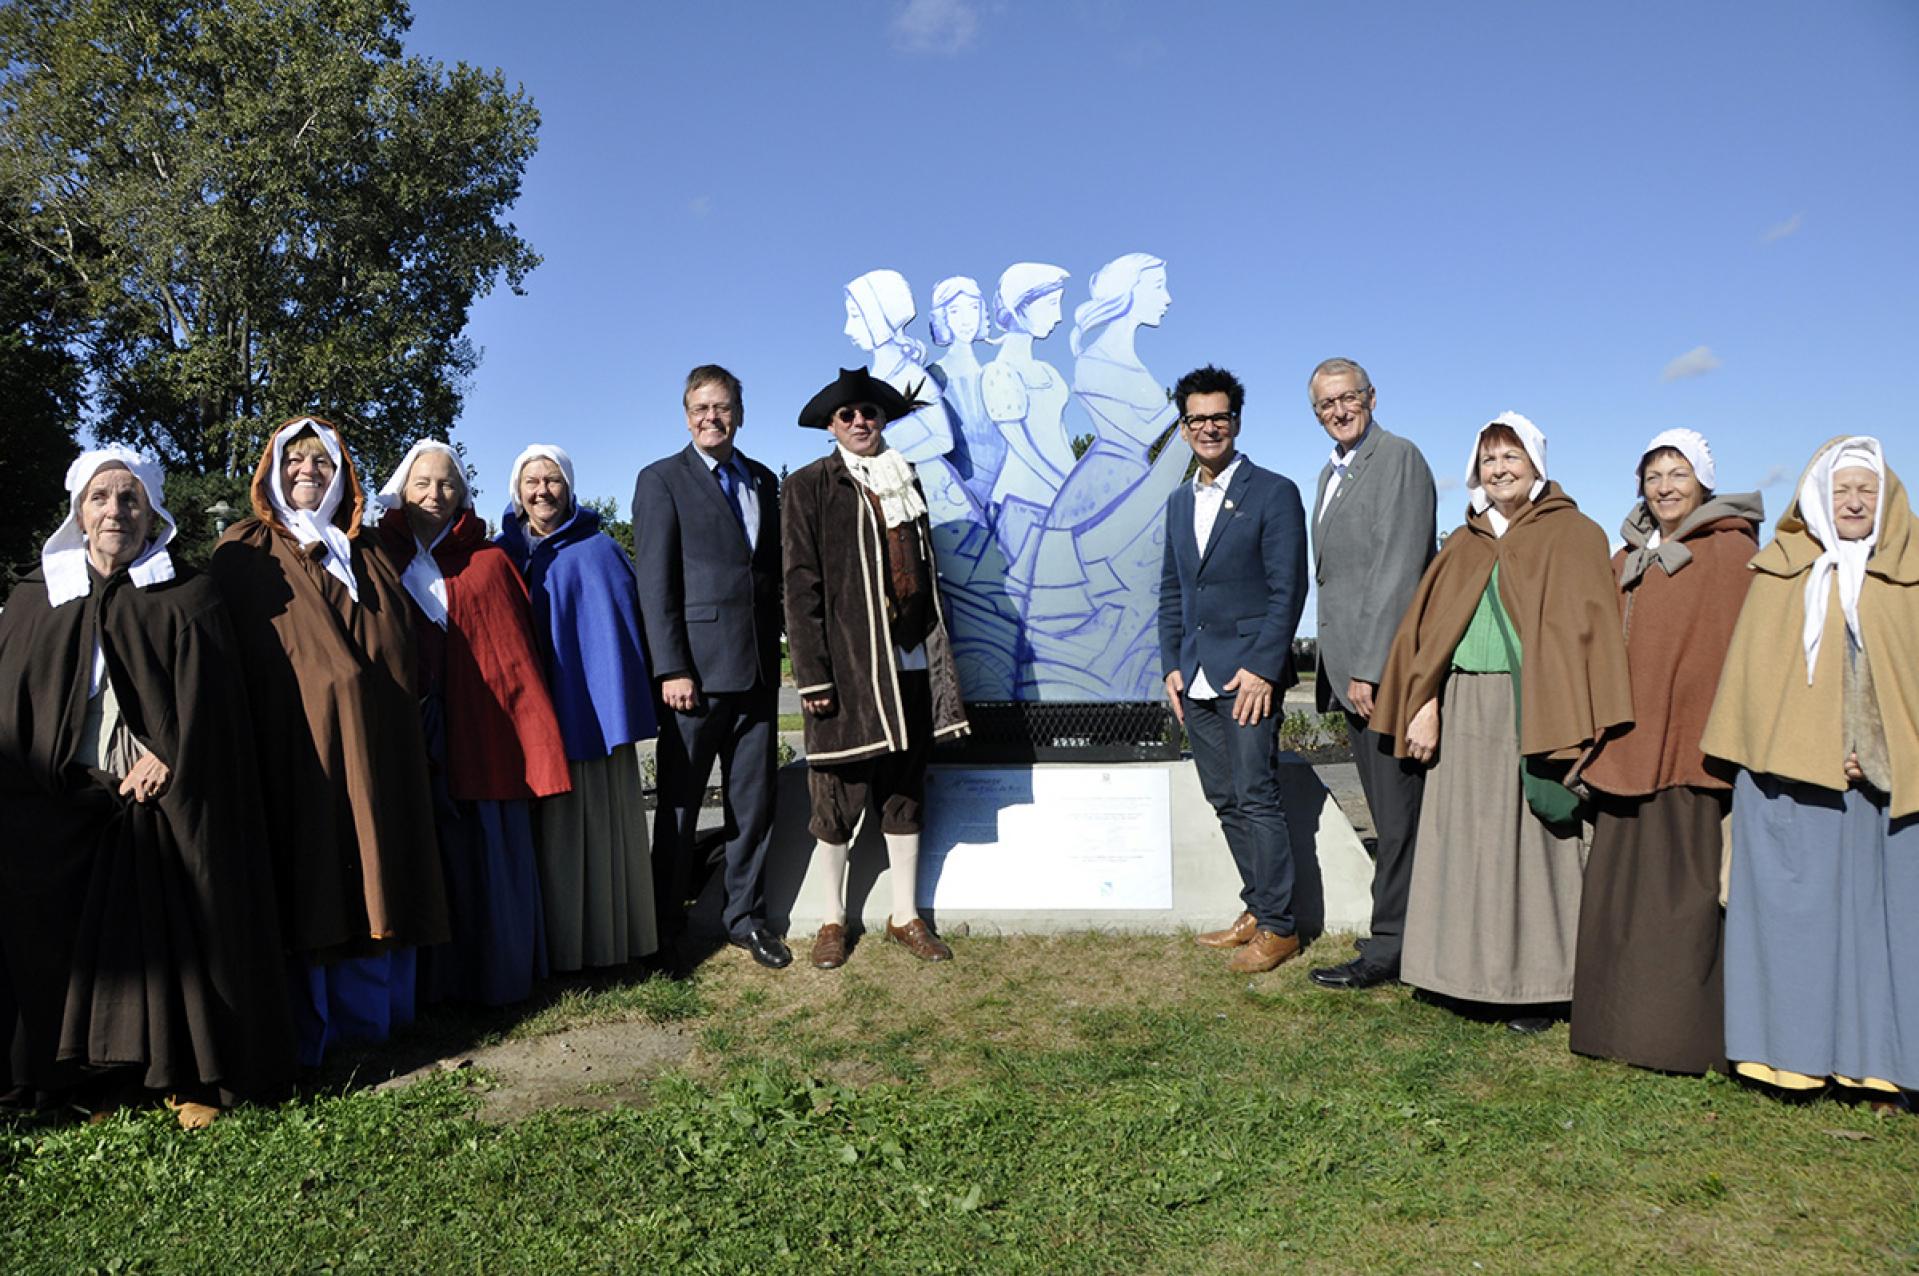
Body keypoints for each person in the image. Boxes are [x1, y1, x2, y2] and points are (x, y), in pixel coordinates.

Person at [0, 448, 292, 1125]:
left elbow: (215, 701)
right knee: (46, 918)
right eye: (101, 498)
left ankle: (186, 1073)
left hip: (154, 792)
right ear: (78, 510)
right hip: (59, 793)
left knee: (176, 917)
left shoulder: (186, 593)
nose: (115, 512)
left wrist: (171, 752)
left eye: (129, 499)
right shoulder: (34, 597)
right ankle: (75, 1078)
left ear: (151, 510)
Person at [1372, 413, 1631, 1033]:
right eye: (1490, 460)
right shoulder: (1465, 541)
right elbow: (1433, 635)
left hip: (1533, 707)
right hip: (1463, 705)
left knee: (1530, 845)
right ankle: (1458, 975)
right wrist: (1425, 700)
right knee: (1462, 839)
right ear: (1475, 472)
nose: (1500, 470)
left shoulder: (1573, 534)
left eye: (1512, 458)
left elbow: (1587, 635)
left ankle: (1538, 986)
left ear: (1537, 465)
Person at [209, 417, 447, 1068]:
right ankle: (307, 1028)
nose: (307, 472)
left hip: (373, 756)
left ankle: (371, 1024)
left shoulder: (366, 554)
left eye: (321, 462)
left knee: (373, 869)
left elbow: (397, 653)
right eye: (295, 461)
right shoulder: (244, 550)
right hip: (294, 756)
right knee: (309, 876)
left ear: (342, 475)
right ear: (271, 473)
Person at [1702, 435, 1917, 1103]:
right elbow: (1756, 683)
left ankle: (1875, 1063)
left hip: (1888, 790)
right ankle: (1785, 1059)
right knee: (1793, 922)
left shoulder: (1908, 576)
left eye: (1866, 490)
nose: (1853, 502)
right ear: (1817, 498)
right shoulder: (1782, 572)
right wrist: (1801, 748)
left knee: (1879, 929)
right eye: (1841, 490)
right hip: (1789, 782)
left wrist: (1877, 749)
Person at [1572, 430, 1762, 1073]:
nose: (1665, 486)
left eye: (1678, 473)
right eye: (1653, 475)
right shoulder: (1630, 553)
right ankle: (1609, 1025)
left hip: (1687, 756)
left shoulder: (1728, 552)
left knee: (1683, 898)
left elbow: (1728, 652)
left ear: (1704, 481)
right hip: (1630, 747)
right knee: (1619, 888)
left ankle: (1673, 1036)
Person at [784, 368, 971, 969]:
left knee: (904, 789)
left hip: (909, 660)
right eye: (848, 415)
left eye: (869, 412)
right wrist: (813, 676)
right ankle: (832, 920)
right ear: (831, 426)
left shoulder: (903, 477)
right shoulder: (809, 485)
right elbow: (800, 586)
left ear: (882, 420)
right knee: (837, 797)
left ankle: (905, 916)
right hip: (847, 668)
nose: (860, 421)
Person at [377, 441, 572, 1005]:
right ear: (402, 490)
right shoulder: (375, 558)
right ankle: (427, 989)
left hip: (481, 730)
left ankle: (493, 977)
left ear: (462, 495)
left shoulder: (488, 562)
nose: (434, 495)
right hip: (410, 729)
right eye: (422, 484)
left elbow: (515, 658)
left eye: (446, 485)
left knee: (485, 852)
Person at [632, 366, 789, 970]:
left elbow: (766, 574)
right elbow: (656, 584)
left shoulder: (762, 480)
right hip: (691, 680)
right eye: (699, 408)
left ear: (739, 413)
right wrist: (671, 666)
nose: (711, 418)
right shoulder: (661, 480)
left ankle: (745, 918)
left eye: (721, 407)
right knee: (679, 805)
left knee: (754, 808)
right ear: (685, 414)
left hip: (756, 675)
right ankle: (664, 926)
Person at [1158, 365, 1310, 974]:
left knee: (1256, 796)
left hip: (1248, 677)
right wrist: (1171, 664)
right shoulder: (1177, 501)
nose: (1209, 427)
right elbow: (1172, 589)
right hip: (1193, 676)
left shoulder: (1273, 492)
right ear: (1184, 426)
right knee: (1224, 797)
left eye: (1219, 416)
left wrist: (1264, 669)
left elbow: (1287, 589)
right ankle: (1257, 904)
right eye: (1196, 418)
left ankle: (1279, 926)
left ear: (1237, 421)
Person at [496, 444, 660, 973]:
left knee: (596, 830)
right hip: (520, 721)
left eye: (553, 481)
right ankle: (546, 946)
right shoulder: (501, 554)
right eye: (531, 482)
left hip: (587, 718)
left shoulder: (600, 551)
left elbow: (622, 638)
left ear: (569, 488)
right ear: (517, 492)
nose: (542, 491)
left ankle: (604, 942)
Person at [1302, 358, 1437, 991]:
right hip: (1352, 676)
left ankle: (1393, 948)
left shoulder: (1399, 460)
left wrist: (1370, 667)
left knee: (1400, 813)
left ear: (1371, 397)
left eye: (1347, 398)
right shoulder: (1330, 475)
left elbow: (1399, 567)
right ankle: (1401, 932)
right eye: (1325, 404)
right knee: (1390, 812)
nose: (1338, 410)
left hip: (1382, 677)